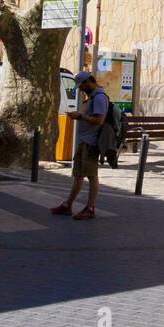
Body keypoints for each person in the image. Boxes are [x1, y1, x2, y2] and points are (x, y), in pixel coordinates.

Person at [50, 71, 108, 221]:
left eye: (81, 86)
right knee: (78, 175)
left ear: (88, 82)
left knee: (92, 175)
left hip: (91, 142)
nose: (81, 89)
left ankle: (90, 208)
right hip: (84, 141)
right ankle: (68, 204)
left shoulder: (100, 97)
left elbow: (99, 120)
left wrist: (80, 116)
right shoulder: (93, 97)